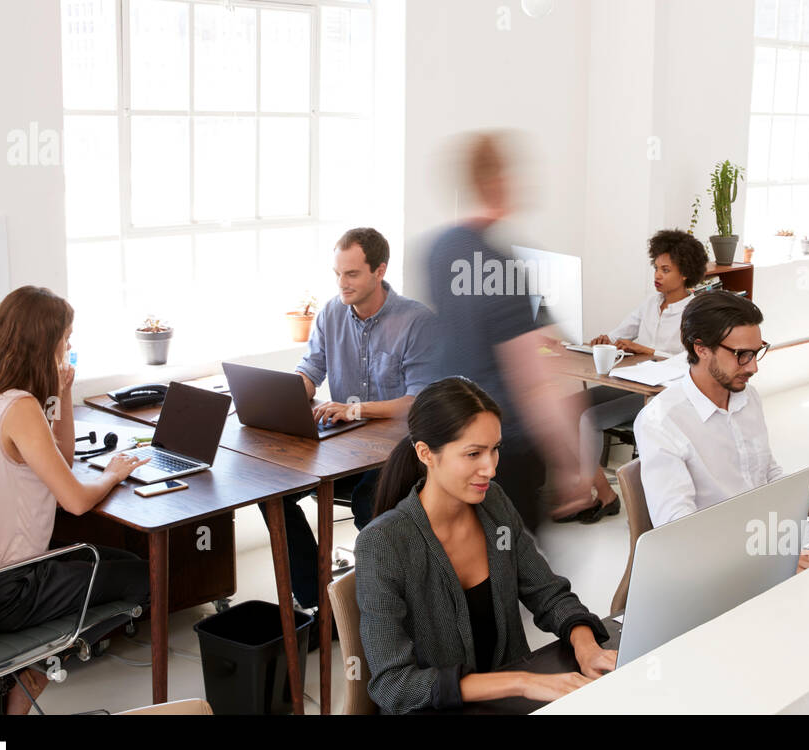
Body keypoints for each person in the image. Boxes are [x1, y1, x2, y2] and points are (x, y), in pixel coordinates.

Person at [0, 286, 151, 714]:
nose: (70, 345)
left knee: (116, 560)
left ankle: (33, 669)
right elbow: (74, 500)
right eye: (66, 337)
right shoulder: (20, 407)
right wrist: (114, 473)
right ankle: (38, 671)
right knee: (147, 579)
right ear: (43, 342)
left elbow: (62, 459)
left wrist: (63, 394)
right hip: (9, 591)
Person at [355, 377, 615, 714]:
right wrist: (522, 682)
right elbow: (393, 686)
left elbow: (548, 594)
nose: (490, 469)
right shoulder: (383, 544)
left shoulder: (494, 504)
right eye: (473, 453)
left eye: (495, 449)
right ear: (425, 454)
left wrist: (587, 646)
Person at [263, 227, 437, 617]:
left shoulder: (416, 321)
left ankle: (396, 601)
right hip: (343, 445)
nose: (342, 284)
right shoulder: (330, 312)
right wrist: (290, 393)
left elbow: (417, 401)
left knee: (367, 499)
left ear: (380, 270)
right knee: (274, 492)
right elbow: (312, 367)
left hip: (400, 449)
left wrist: (354, 409)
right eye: (338, 274)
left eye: (352, 274)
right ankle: (320, 600)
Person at [634, 291, 809, 569]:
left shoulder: (748, 398)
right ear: (701, 348)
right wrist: (773, 560)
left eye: (756, 353)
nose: (754, 366)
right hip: (715, 564)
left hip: (762, 540)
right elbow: (677, 532)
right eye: (741, 355)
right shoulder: (661, 421)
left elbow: (766, 475)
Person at [423, 133, 583, 530]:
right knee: (514, 576)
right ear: (498, 181)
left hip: (447, 445)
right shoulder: (502, 267)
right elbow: (534, 383)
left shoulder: (440, 249)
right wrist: (572, 466)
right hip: (501, 452)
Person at [552, 229, 709, 524]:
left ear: (686, 274)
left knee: (589, 419)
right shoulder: (651, 304)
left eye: (666, 270)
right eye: (656, 268)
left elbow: (688, 361)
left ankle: (588, 492)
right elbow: (617, 335)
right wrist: (602, 341)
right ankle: (601, 492)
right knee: (565, 409)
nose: (658, 275)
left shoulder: (695, 312)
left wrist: (644, 348)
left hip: (659, 396)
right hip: (630, 385)